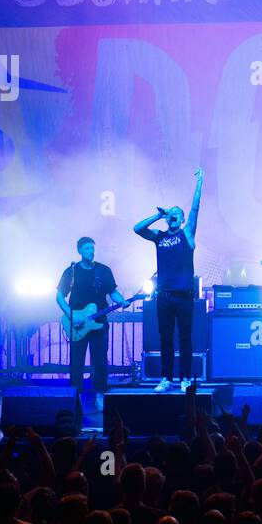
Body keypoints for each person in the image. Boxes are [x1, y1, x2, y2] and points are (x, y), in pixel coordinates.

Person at [134, 169, 204, 393]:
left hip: (183, 295)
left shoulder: (187, 234)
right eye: (171, 213)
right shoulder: (160, 236)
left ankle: (184, 378)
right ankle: (166, 378)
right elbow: (137, 229)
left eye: (176, 213)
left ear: (182, 219)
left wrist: (200, 183)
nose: (173, 214)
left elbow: (195, 208)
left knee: (184, 338)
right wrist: (158, 215)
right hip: (163, 296)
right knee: (165, 338)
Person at [57, 237, 126, 398]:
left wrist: (122, 300)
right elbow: (59, 297)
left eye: (93, 248)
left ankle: (100, 394)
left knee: (100, 360)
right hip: (78, 323)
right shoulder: (71, 272)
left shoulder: (103, 270)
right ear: (80, 251)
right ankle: (75, 396)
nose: (91, 251)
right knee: (76, 362)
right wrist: (72, 317)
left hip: (98, 323)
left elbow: (113, 292)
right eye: (87, 248)